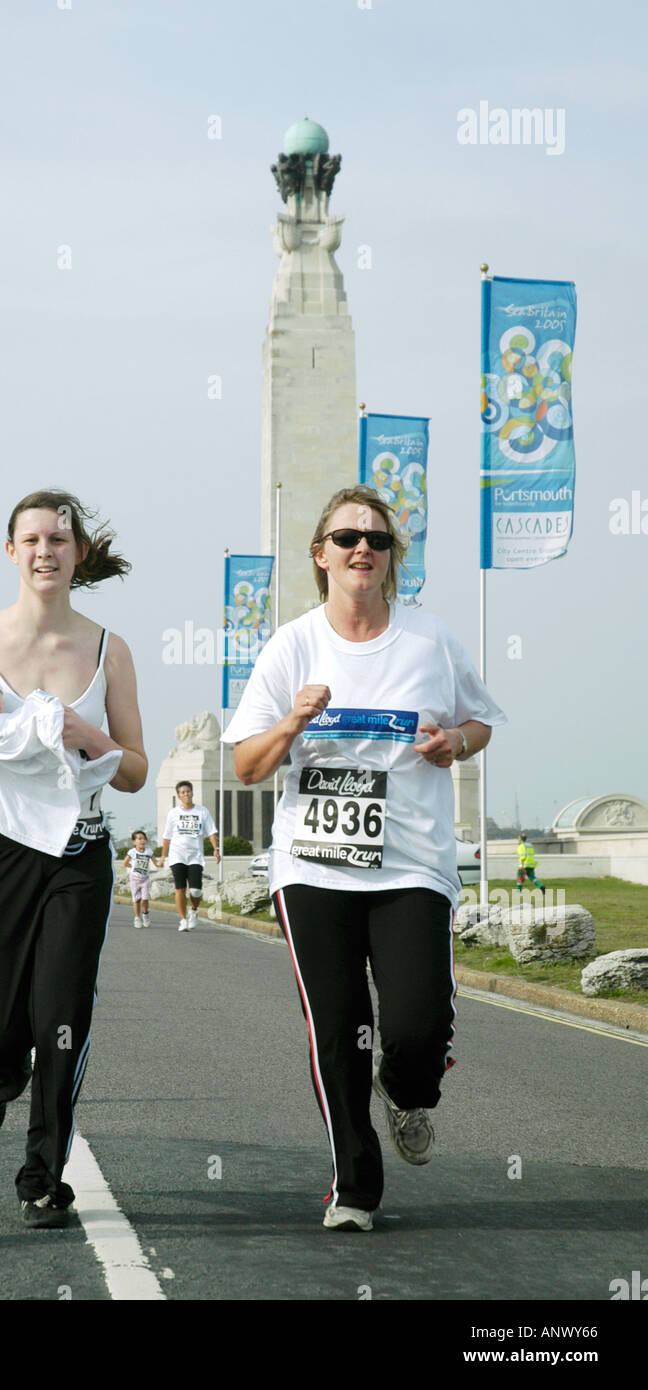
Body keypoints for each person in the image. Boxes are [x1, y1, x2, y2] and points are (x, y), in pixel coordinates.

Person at [222, 484, 506, 1233]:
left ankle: (409, 1088)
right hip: (313, 869)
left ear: (391, 560)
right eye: (347, 537)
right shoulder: (292, 645)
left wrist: (455, 744)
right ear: (321, 555)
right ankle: (355, 1180)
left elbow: (481, 721)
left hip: (411, 866)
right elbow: (248, 767)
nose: (361, 549)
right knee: (337, 1023)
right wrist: (292, 721)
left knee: (413, 1027)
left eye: (376, 540)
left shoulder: (429, 640)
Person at [0, 487, 147, 1229]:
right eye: (33, 539)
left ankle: (43, 1178)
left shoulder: (109, 649)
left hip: (78, 854)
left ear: (78, 554)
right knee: (5, 1026)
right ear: (12, 552)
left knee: (62, 1018)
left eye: (59, 539)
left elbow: (136, 768)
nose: (46, 551)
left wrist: (89, 735)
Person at [158, 781, 220, 931]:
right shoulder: (173, 813)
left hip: (195, 856)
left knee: (195, 891)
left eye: (188, 791)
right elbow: (167, 837)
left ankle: (193, 910)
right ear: (179, 796)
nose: (186, 794)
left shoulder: (202, 811)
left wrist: (216, 848)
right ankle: (183, 919)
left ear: (192, 793)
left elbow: (211, 831)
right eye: (183, 792)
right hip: (177, 855)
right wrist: (162, 857)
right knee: (180, 888)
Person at [123, 830, 154, 928]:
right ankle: (137, 918)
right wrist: (133, 867)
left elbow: (156, 862)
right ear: (134, 842)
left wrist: (160, 863)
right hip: (135, 879)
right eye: (139, 839)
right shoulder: (132, 852)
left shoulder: (149, 851)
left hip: (145, 878)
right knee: (136, 899)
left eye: (144, 839)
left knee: (145, 898)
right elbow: (125, 863)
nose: (142, 841)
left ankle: (145, 915)